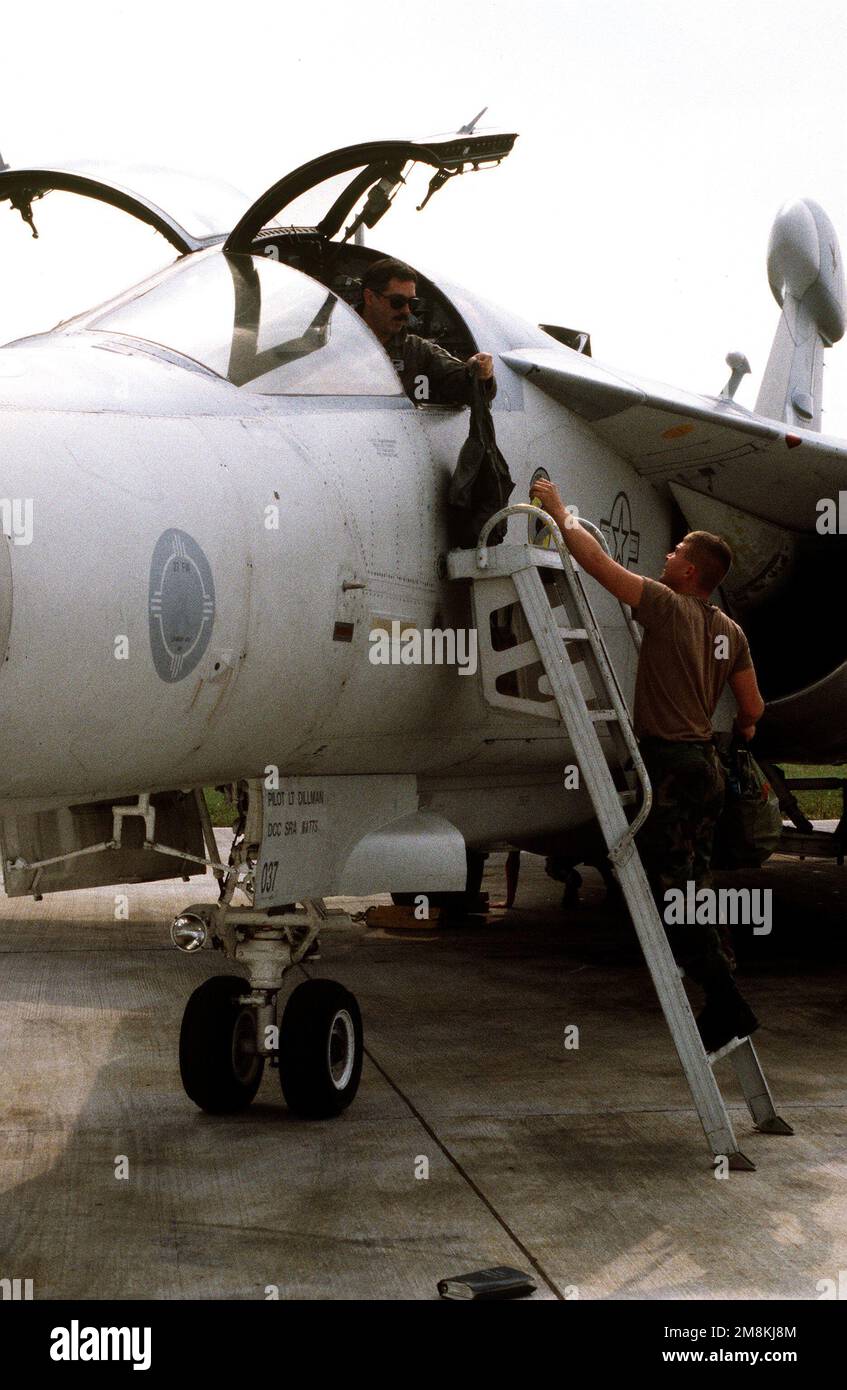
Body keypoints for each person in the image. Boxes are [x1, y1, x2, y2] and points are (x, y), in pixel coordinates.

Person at [530, 478, 766, 1053]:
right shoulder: (728, 631)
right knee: (695, 882)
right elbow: (754, 709)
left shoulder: (665, 606)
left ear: (690, 573)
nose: (666, 556)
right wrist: (743, 730)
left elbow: (596, 564)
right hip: (706, 763)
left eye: (676, 551)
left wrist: (558, 511)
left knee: (672, 892)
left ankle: (725, 999)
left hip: (671, 765)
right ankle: (722, 982)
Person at [358, 257, 495, 405]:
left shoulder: (417, 351)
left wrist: (479, 374)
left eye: (412, 303)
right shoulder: (333, 342)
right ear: (370, 298)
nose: (407, 311)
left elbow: (463, 385)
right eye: (397, 302)